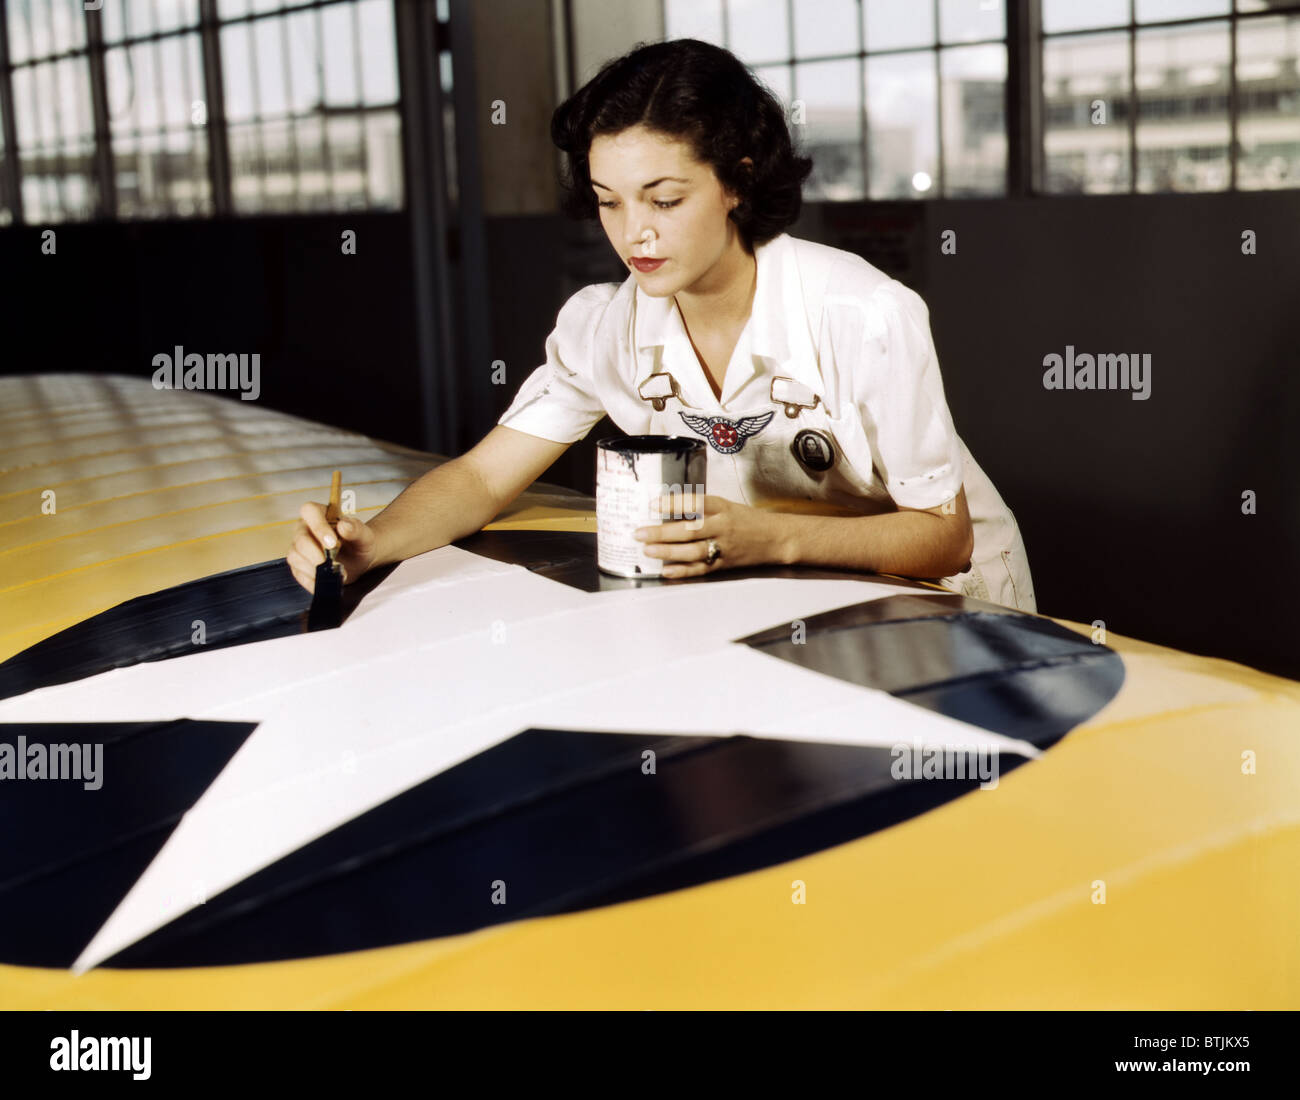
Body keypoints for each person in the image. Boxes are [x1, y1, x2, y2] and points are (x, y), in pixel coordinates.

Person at [287, 38, 1035, 613]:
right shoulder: (605, 326)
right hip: (786, 589)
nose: (633, 234)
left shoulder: (862, 313)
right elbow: (485, 475)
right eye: (609, 201)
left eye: (664, 199)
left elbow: (945, 535)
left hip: (956, 602)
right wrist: (368, 544)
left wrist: (767, 535)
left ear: (738, 179)